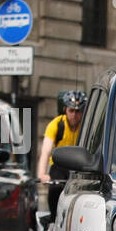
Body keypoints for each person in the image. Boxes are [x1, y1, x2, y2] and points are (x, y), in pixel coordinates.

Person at [36, 90, 86, 222]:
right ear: (65, 110)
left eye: (78, 111)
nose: (75, 115)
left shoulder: (85, 127)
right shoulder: (56, 125)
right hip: (59, 165)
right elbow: (46, 152)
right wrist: (42, 174)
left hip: (78, 166)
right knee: (54, 190)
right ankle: (52, 222)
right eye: (71, 111)